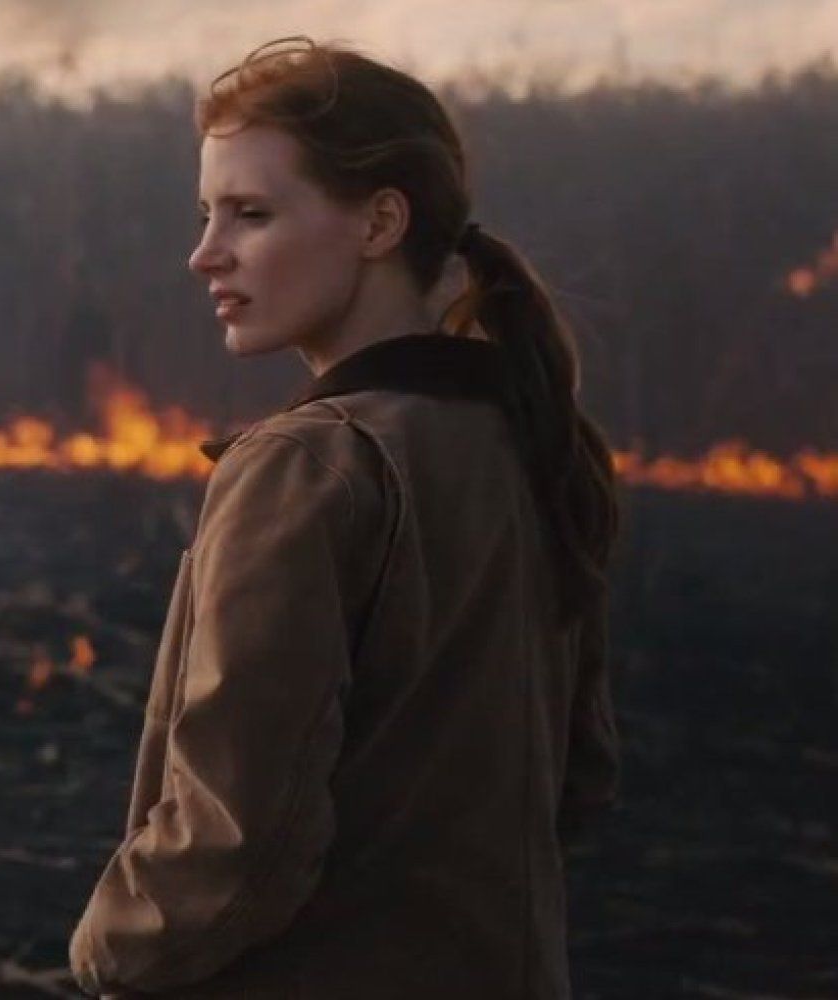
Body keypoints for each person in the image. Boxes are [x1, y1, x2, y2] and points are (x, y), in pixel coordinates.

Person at [69, 38, 622, 998]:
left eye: (252, 213)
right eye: (206, 214)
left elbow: (235, 840)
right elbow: (580, 777)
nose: (205, 253)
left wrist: (106, 955)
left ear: (379, 222)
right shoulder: (534, 441)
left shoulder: (309, 464)